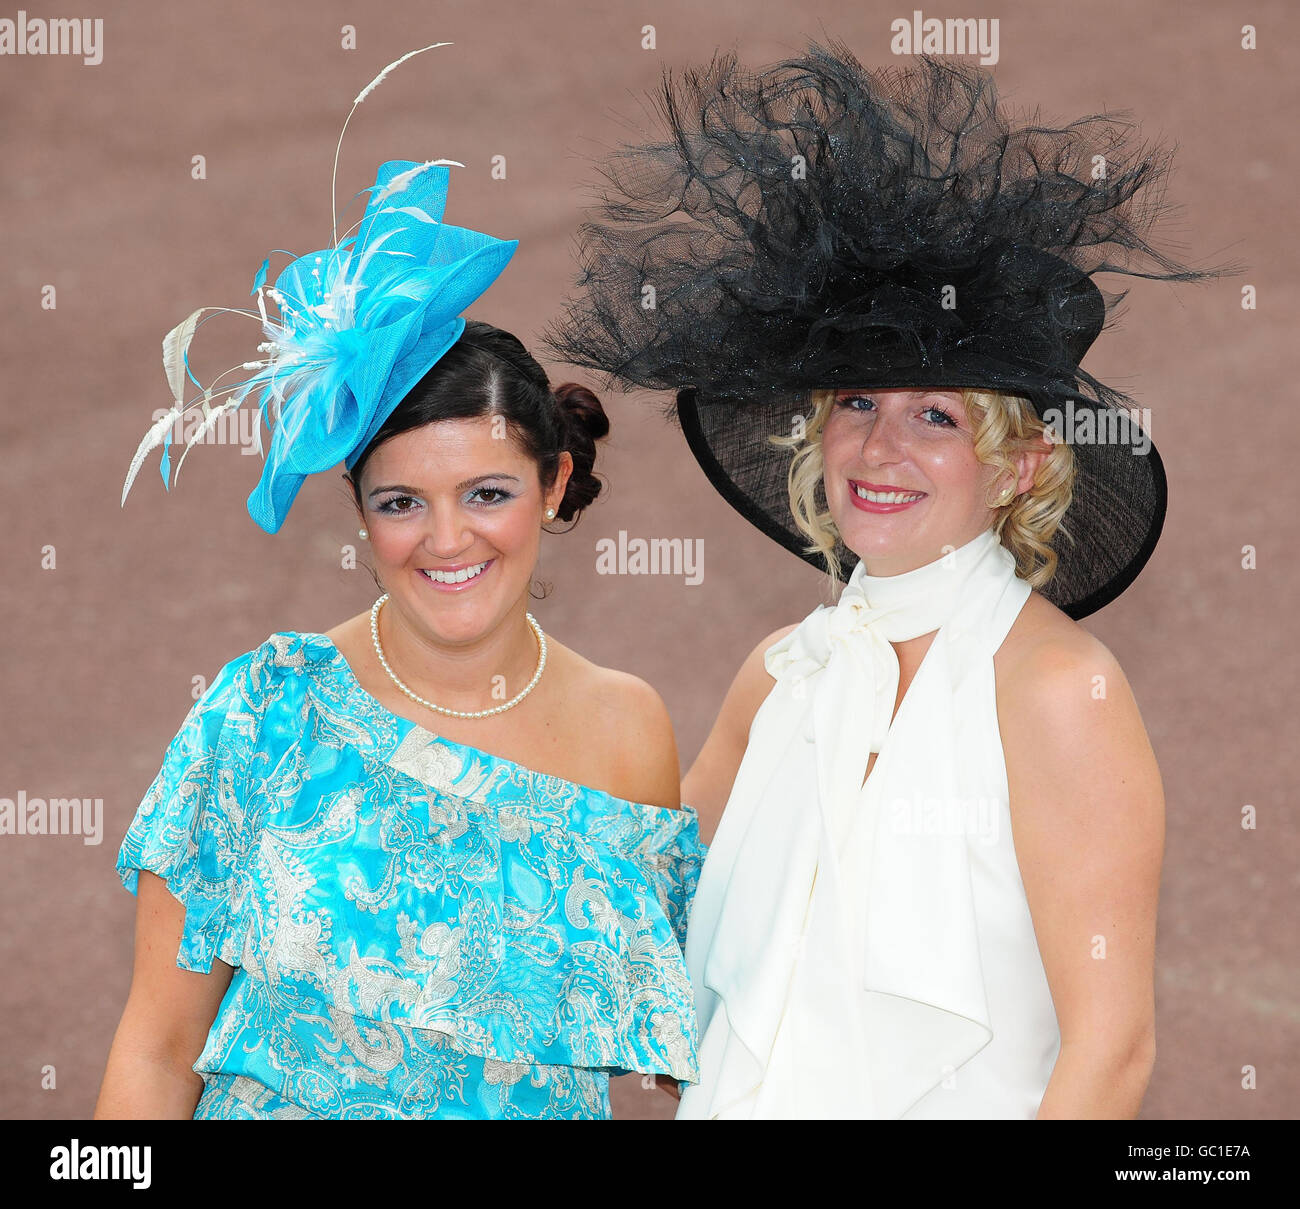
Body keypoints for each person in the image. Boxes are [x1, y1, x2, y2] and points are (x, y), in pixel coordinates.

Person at [545, 44, 1231, 1117]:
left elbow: (1110, 1058)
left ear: (1019, 464)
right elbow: (618, 923)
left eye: (936, 417)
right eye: (856, 402)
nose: (877, 449)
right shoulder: (781, 675)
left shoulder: (1057, 694)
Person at [97, 47, 703, 1120]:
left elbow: (648, 1066)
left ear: (555, 486)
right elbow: (154, 1052)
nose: (444, 540)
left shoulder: (628, 731)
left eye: (486, 493)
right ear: (361, 513)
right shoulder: (264, 714)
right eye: (400, 502)